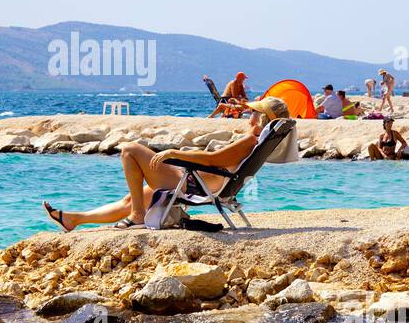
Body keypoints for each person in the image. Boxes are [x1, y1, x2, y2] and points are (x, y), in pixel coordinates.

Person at [43, 98, 288, 230]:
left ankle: (138, 216)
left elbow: (214, 160)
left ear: (263, 119)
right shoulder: (257, 142)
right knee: (131, 198)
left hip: (193, 184)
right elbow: (219, 161)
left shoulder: (249, 140)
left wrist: (176, 153)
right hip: (200, 181)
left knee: (129, 149)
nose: (249, 115)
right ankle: (74, 219)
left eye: (254, 113)